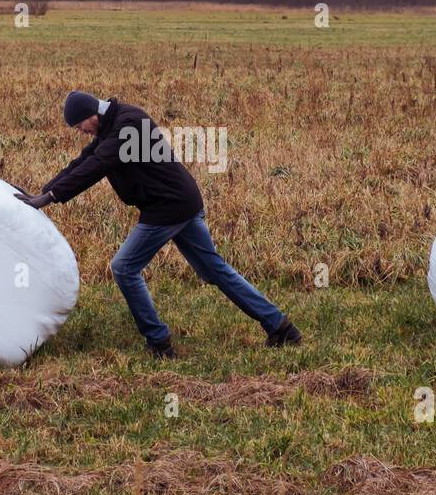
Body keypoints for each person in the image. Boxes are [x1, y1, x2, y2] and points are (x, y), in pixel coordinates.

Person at [15, 91, 301, 358]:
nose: (81, 131)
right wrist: (43, 192)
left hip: (168, 208)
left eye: (80, 125)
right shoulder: (110, 127)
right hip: (180, 202)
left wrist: (51, 197)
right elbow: (83, 161)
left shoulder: (129, 124)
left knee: (124, 267)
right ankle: (281, 327)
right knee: (215, 270)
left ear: (93, 113)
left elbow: (98, 165)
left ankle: (158, 342)